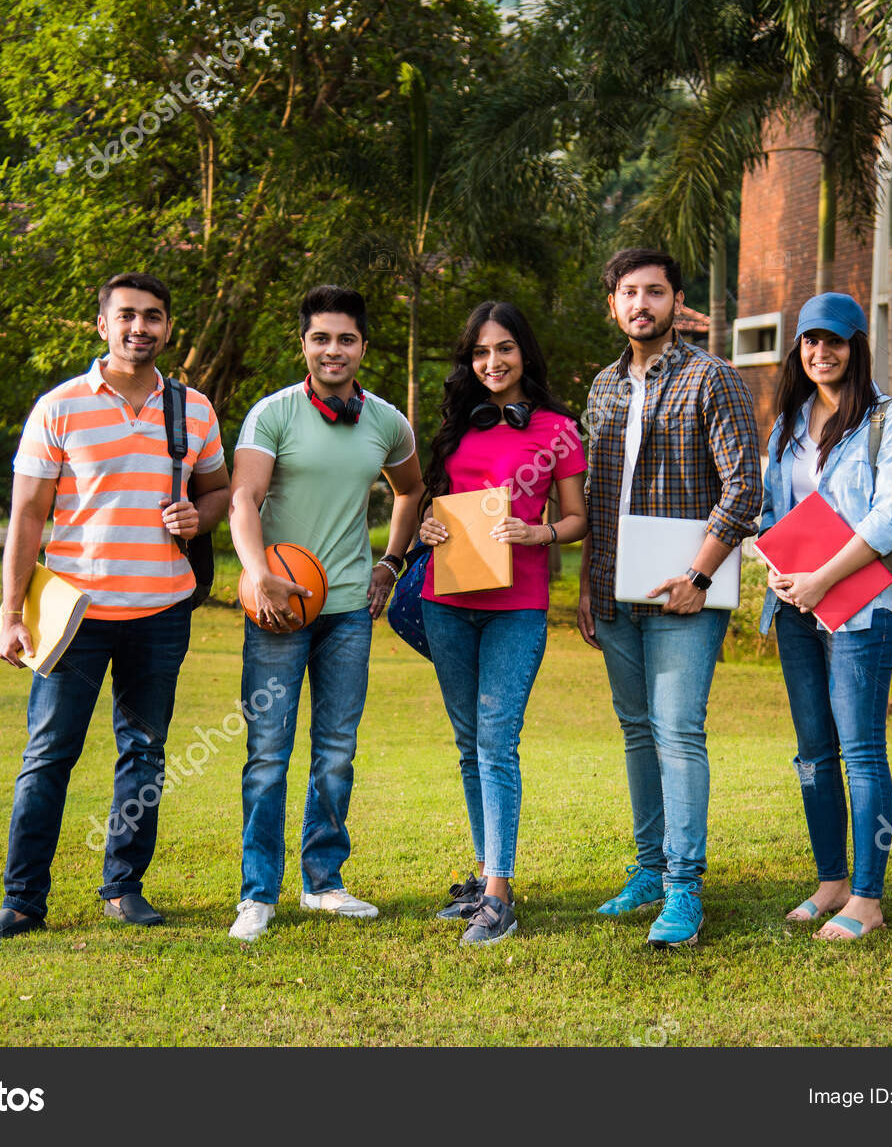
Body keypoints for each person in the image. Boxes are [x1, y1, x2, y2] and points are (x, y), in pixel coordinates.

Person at [0, 272, 230, 943]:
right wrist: (13, 612)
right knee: (49, 754)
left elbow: (220, 492)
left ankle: (123, 888)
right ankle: (22, 901)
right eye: (128, 315)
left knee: (144, 752)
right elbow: (28, 515)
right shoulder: (59, 407)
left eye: (154, 316)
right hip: (74, 614)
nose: (141, 327)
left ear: (168, 328)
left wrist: (199, 516)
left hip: (162, 611)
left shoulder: (194, 409)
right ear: (103, 325)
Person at [226, 284, 425, 942]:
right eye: (321, 338)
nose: (332, 350)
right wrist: (258, 576)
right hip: (277, 611)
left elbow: (411, 490)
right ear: (304, 344)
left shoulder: (388, 422)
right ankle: (257, 894)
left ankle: (323, 882)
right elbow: (243, 500)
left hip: (348, 613)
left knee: (336, 752)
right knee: (268, 753)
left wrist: (390, 562)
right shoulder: (273, 414)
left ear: (363, 347)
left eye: (345, 339)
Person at [577, 248, 762, 949]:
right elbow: (595, 497)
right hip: (615, 594)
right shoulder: (603, 388)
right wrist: (589, 589)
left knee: (678, 732)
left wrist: (700, 577)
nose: (641, 304)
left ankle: (684, 888)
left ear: (677, 302)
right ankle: (650, 869)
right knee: (636, 730)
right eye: (628, 292)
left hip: (687, 596)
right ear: (613, 305)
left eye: (654, 291)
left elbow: (744, 488)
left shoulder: (712, 378)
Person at [415, 301, 588, 945]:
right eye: (481, 352)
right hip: (446, 601)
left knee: (496, 742)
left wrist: (537, 532)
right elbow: (432, 505)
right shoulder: (455, 426)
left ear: (524, 354)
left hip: (517, 607)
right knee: (469, 745)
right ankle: (484, 873)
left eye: (505, 348)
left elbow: (577, 519)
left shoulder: (559, 430)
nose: (493, 362)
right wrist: (429, 528)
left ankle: (499, 894)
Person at [759, 292, 892, 941]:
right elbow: (772, 512)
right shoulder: (788, 424)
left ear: (856, 346)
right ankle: (831, 881)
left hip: (861, 611)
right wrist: (775, 564)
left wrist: (823, 577)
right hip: (795, 608)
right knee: (812, 753)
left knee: (861, 751)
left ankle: (868, 898)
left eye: (834, 340)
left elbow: (890, 517)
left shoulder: (888, 419)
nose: (821, 352)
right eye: (810, 340)